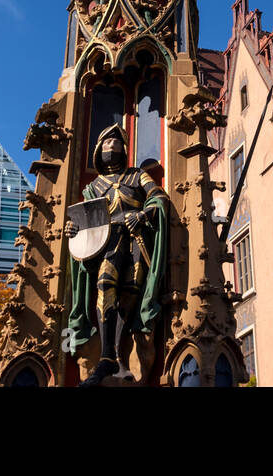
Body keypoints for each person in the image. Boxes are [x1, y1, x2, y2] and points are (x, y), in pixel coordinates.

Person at [64, 124, 168, 386]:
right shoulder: (94, 187)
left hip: (135, 241)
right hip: (108, 245)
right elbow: (85, 220)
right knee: (104, 284)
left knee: (131, 291)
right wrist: (73, 228)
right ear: (99, 150)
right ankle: (107, 356)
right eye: (106, 143)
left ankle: (119, 357)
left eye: (116, 143)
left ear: (124, 148)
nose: (111, 147)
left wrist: (143, 214)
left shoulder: (138, 176)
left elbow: (159, 198)